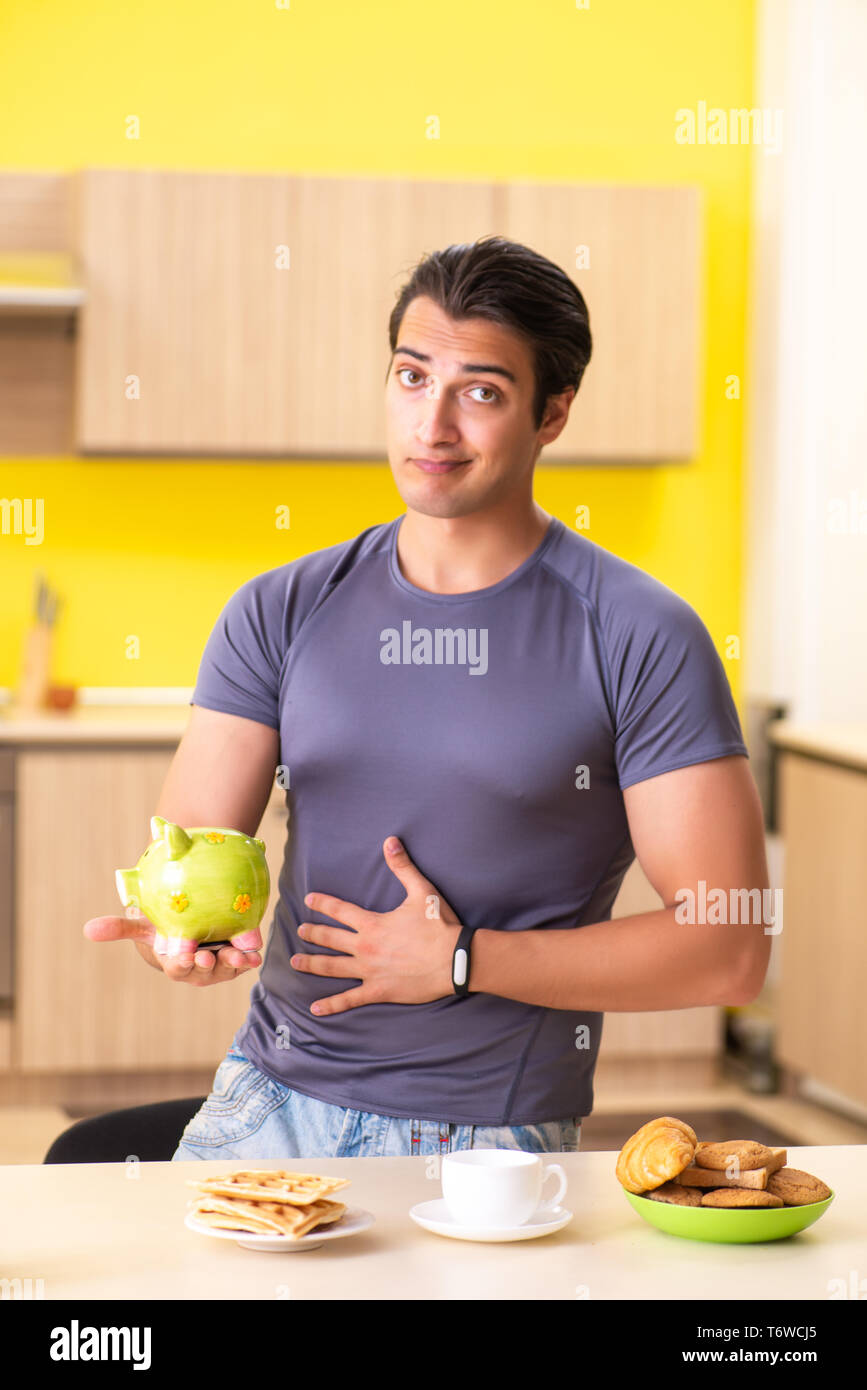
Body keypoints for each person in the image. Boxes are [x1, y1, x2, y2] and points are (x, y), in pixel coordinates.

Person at [84, 235, 770, 1161]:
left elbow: (727, 947)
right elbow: (189, 863)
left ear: (552, 413)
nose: (432, 426)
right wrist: (181, 939)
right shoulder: (281, 608)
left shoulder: (638, 632)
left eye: (480, 392)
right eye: (412, 378)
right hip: (264, 1103)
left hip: (485, 1143)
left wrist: (461, 960)